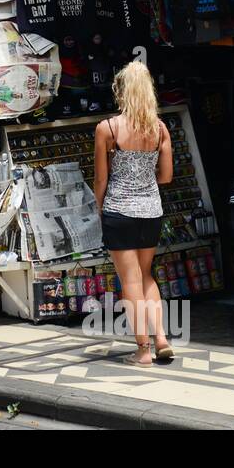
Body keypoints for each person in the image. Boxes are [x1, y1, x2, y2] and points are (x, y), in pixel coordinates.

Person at [93, 61, 174, 366]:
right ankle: (162, 338)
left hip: (120, 211)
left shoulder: (108, 128)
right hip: (151, 210)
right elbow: (165, 177)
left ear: (122, 91)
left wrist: (101, 208)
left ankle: (143, 351)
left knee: (130, 281)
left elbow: (101, 179)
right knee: (147, 275)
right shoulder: (160, 129)